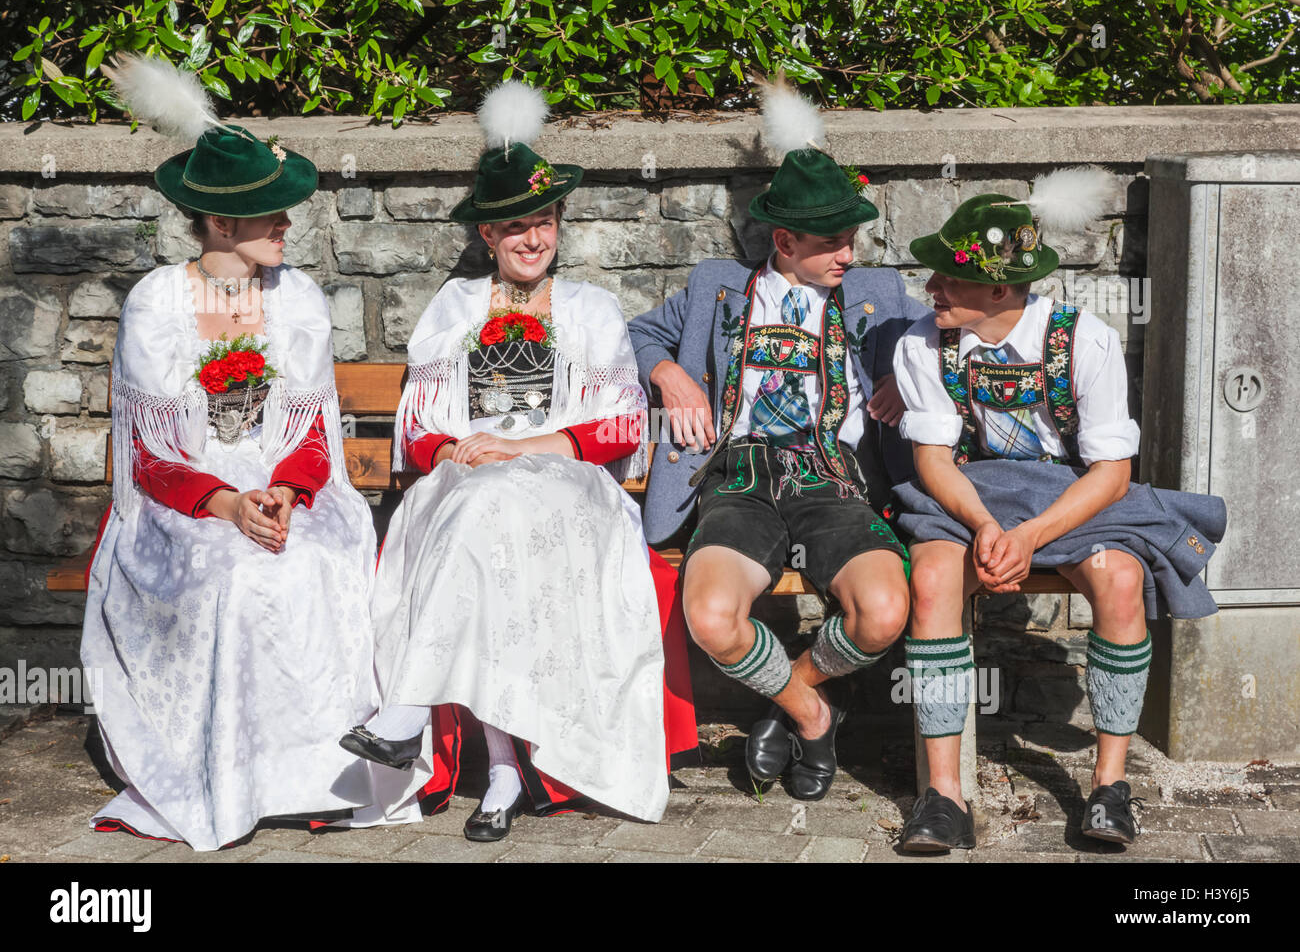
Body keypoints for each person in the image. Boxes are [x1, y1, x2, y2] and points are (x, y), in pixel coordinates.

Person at [340, 82, 697, 842]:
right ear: (489, 238)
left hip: (568, 487)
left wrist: (524, 447)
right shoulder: (457, 308)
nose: (532, 239)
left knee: (493, 510)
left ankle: (412, 716)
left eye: (543, 221)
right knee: (480, 514)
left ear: (559, 225)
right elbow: (419, 426)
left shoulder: (592, 310)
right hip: (468, 482)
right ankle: (502, 773)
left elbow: (623, 423)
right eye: (514, 228)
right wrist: (461, 450)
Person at [81, 56, 391, 850]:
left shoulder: (299, 302)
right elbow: (152, 455)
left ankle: (319, 778)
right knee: (232, 574)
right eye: (273, 219)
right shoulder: (159, 305)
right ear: (222, 226)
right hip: (185, 499)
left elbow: (313, 430)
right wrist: (227, 505)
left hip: (280, 488)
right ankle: (227, 774)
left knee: (318, 565)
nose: (290, 228)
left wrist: (286, 493)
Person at [891, 170, 1227, 851]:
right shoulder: (923, 343)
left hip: (1072, 496)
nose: (930, 290)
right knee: (931, 580)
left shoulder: (1086, 341)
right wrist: (987, 526)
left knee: (1122, 578)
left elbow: (1111, 472)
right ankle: (944, 796)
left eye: (947, 279)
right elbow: (930, 462)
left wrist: (1034, 533)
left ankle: (1108, 787)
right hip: (967, 492)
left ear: (997, 288)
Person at [627, 78, 927, 802]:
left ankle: (789, 692)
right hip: (739, 479)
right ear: (784, 242)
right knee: (711, 618)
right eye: (831, 244)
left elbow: (952, 326)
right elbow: (636, 333)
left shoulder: (877, 292)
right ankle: (812, 713)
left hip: (835, 477)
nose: (847, 256)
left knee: (885, 612)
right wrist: (672, 376)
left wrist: (912, 374)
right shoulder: (716, 285)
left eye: (851, 240)